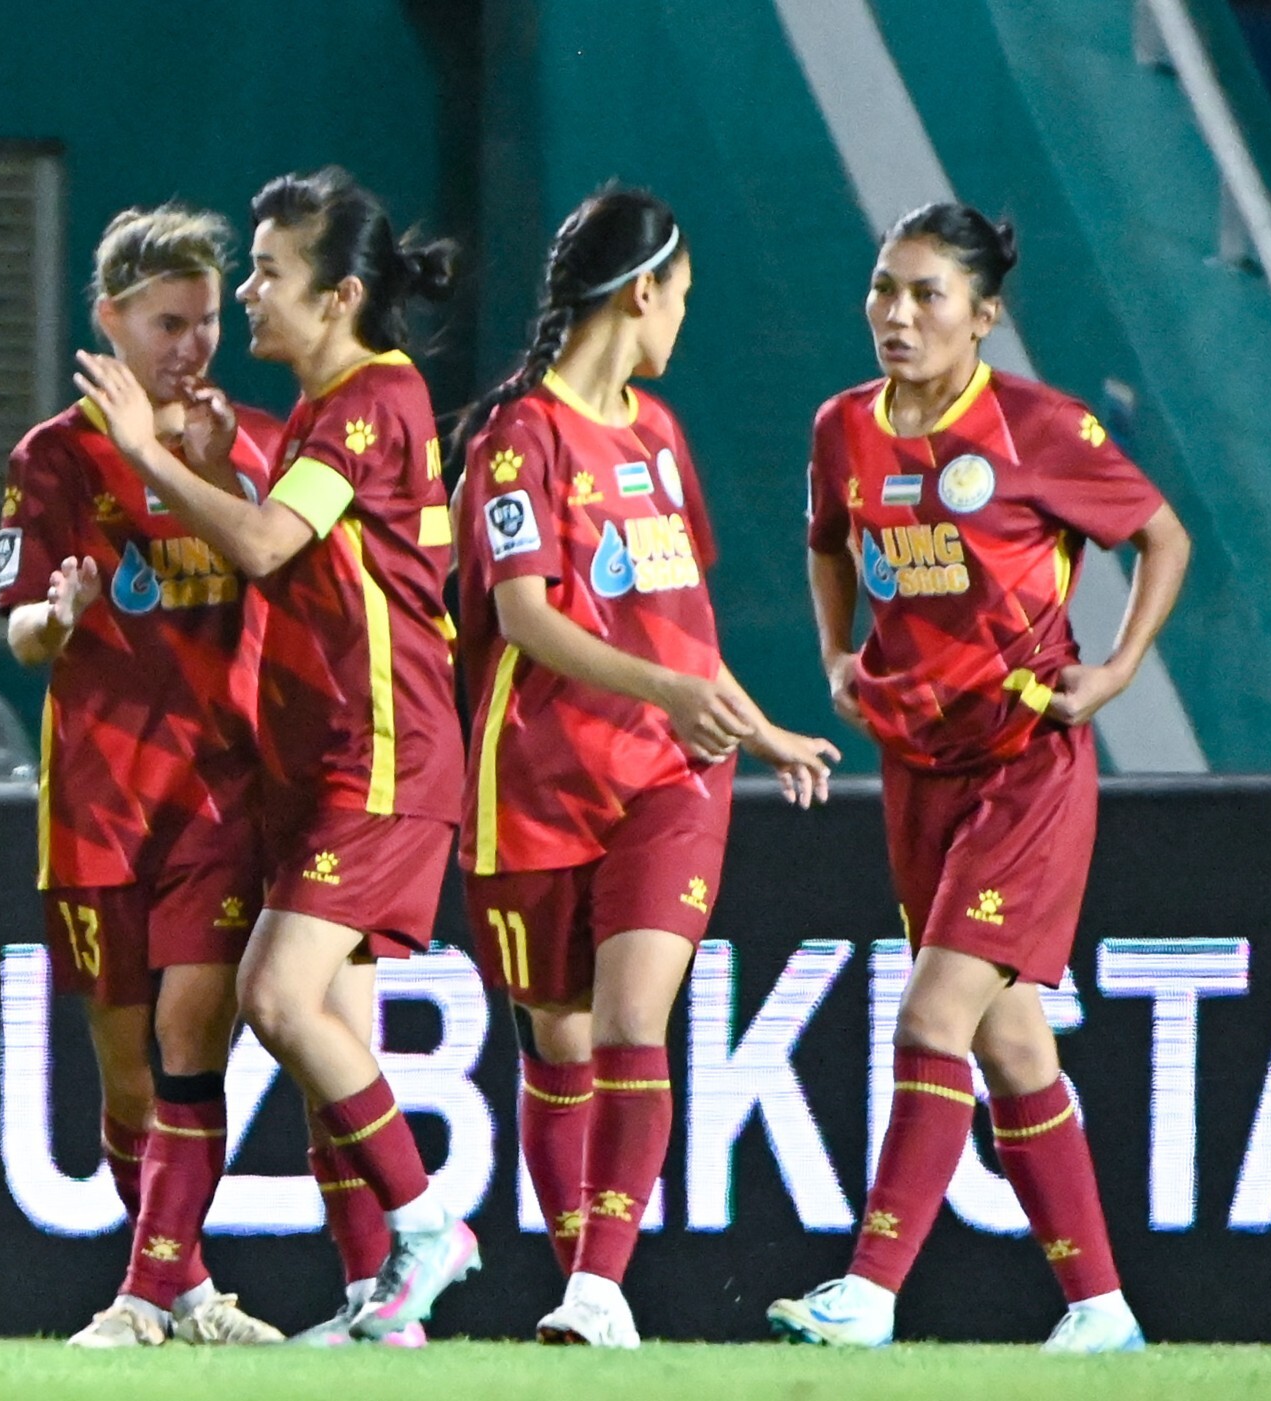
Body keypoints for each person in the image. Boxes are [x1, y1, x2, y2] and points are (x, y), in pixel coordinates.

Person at [767, 203, 1189, 1353]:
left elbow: (1162, 537)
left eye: (925, 296)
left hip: (1025, 765)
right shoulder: (843, 427)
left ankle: (869, 1291)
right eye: (882, 290)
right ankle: (1100, 1311)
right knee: (1010, 1046)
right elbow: (823, 541)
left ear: (983, 318)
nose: (895, 315)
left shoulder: (1036, 428)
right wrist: (834, 654)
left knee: (933, 1014)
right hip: (918, 766)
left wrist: (1112, 674)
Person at [74, 166, 471, 1345]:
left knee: (274, 995)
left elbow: (257, 548)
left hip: (382, 754)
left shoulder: (366, 401)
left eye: (266, 274)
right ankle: (378, 1309)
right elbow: (291, 540)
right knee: (324, 1041)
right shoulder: (331, 407)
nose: (244, 293)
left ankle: (424, 1227)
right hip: (333, 757)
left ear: (340, 295)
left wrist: (147, 453)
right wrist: (205, 460)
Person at [449, 186, 837, 1349]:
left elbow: (683, 621)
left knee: (629, 1020)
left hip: (670, 775)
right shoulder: (519, 437)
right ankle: (585, 1291)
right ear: (638, 293)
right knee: (559, 1044)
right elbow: (523, 618)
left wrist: (748, 726)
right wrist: (670, 689)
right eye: (680, 297)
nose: (682, 320)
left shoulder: (659, 436)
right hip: (533, 782)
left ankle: (599, 1287)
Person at [0, 204, 283, 1348]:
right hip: (96, 804)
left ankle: (141, 1295)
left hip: (217, 794)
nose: (192, 346)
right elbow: (19, 626)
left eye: (206, 321)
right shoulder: (53, 458)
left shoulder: (249, 445)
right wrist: (55, 620)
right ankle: (190, 1288)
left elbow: (289, 570)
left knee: (187, 1038)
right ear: (109, 319)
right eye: (167, 322)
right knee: (128, 1079)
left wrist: (213, 477)